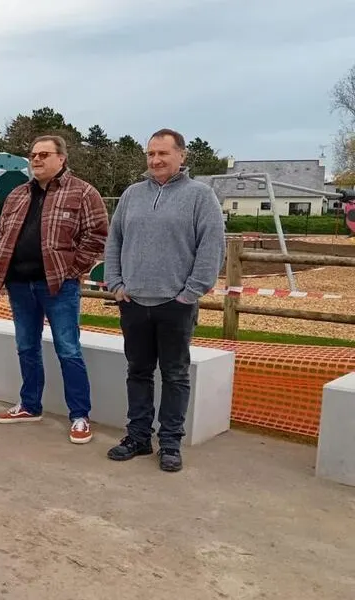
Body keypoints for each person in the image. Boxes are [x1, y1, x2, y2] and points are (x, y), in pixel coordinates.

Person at [104, 128, 226, 472]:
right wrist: (115, 283)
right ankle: (138, 437)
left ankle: (170, 442)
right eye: (150, 154)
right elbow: (114, 242)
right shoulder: (131, 195)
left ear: (181, 156)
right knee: (138, 372)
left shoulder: (201, 196)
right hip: (133, 302)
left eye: (163, 154)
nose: (155, 160)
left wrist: (190, 293)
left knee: (175, 375)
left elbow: (212, 247)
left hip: (176, 304)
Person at [0, 135, 109, 444]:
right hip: (19, 284)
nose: (36, 160)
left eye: (44, 154)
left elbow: (97, 235)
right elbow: (2, 232)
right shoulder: (17, 194)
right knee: (26, 346)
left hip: (58, 286)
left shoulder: (83, 193)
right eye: (33, 155)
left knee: (68, 350)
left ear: (61, 159)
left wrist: (72, 270)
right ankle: (30, 405)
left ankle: (80, 416)